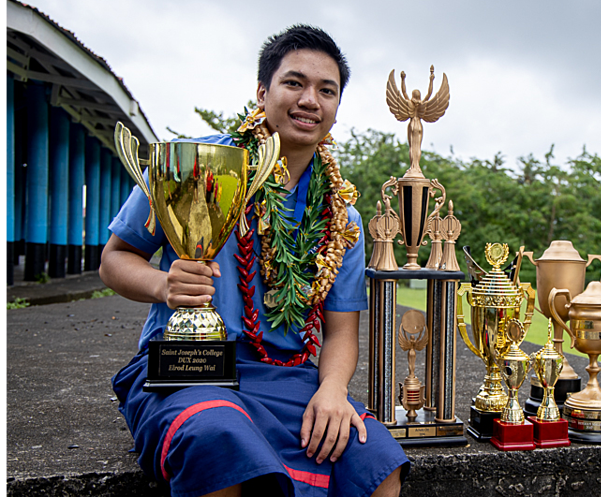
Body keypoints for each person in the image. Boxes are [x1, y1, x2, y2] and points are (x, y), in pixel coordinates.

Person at [101, 25, 408, 497]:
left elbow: (342, 331)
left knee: (375, 459)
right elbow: (116, 260)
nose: (310, 100)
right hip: (187, 368)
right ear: (262, 92)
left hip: (286, 376)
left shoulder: (339, 216)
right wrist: (164, 286)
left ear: (336, 109)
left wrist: (332, 390)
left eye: (327, 91)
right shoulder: (196, 164)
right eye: (294, 83)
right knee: (220, 440)